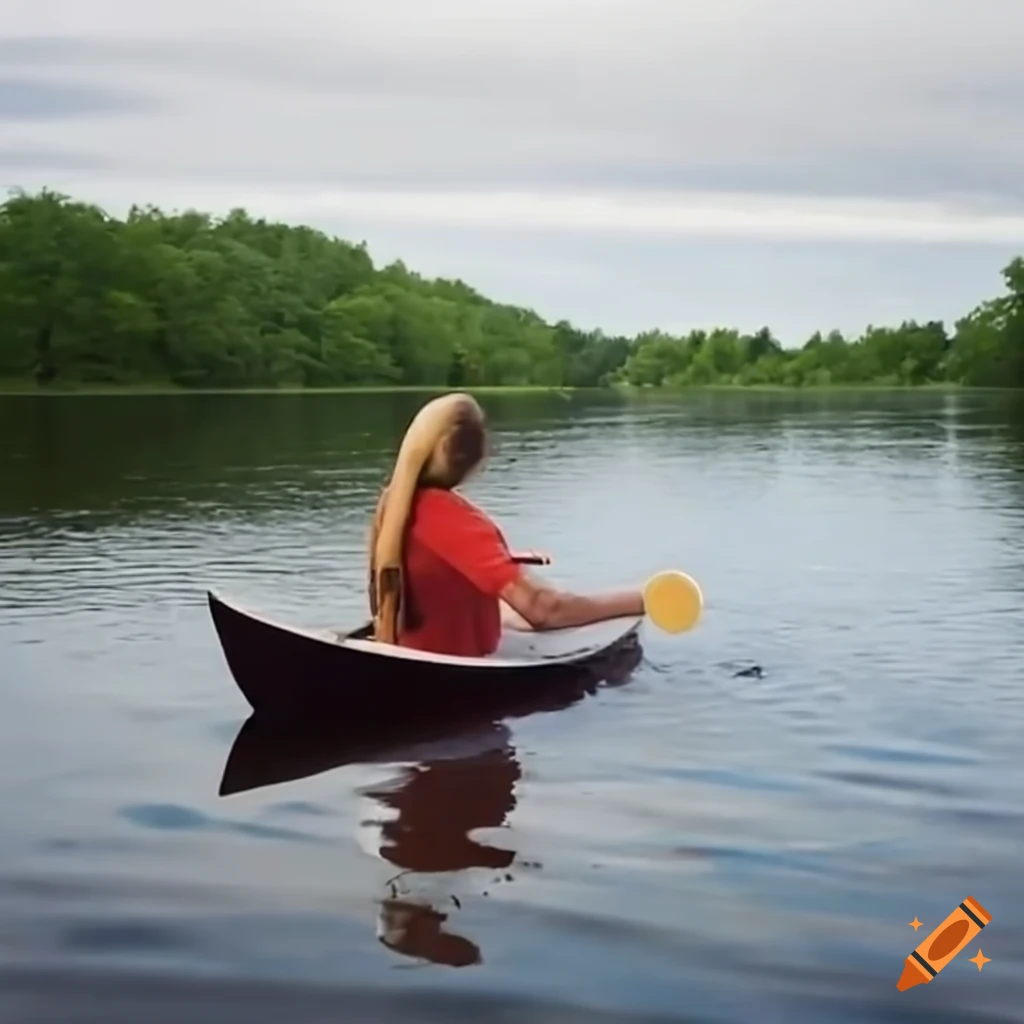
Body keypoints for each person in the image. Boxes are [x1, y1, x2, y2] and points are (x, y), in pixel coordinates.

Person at [368, 392, 645, 658]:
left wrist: (503, 560)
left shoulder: (394, 504)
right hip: (461, 664)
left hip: (413, 648)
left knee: (510, 613)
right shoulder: (450, 517)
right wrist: (643, 598)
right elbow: (543, 609)